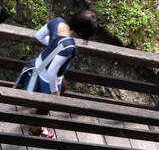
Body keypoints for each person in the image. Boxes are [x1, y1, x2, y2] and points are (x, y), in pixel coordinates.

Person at [16, 8, 98, 138]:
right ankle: (35, 130)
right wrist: (54, 93)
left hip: (37, 65)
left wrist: (54, 46)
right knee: (45, 106)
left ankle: (34, 110)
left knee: (60, 89)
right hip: (47, 79)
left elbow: (39, 36)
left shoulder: (57, 21)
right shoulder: (69, 46)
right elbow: (52, 71)